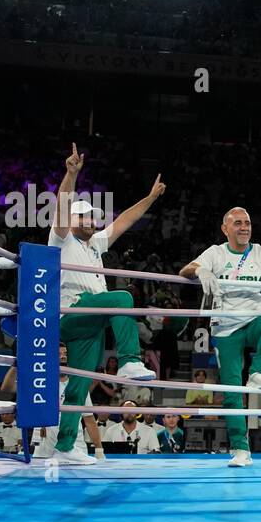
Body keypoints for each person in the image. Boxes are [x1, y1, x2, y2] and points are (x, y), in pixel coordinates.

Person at [50, 143, 160, 464]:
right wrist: (71, 174)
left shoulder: (96, 243)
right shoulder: (61, 237)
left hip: (92, 321)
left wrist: (150, 198)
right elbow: (61, 205)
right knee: (123, 297)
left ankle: (66, 446)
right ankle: (129, 359)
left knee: (80, 383)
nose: (91, 222)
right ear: (73, 219)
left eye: (92, 218)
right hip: (73, 311)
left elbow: (125, 220)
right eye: (84, 217)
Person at [179, 206, 261, 467]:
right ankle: (241, 450)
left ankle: (257, 371)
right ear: (225, 228)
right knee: (231, 389)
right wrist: (200, 271)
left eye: (247, 223)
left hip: (255, 320)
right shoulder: (216, 252)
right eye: (238, 223)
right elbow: (186, 269)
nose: (244, 227)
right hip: (225, 328)